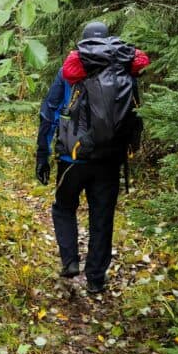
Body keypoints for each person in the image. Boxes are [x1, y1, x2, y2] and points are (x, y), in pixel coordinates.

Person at [35, 21, 149, 294]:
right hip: (110, 158)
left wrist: (42, 153)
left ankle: (71, 260)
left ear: (84, 42)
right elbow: (135, 115)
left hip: (73, 158)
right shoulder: (124, 69)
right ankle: (96, 279)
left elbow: (49, 112)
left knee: (63, 207)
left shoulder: (72, 70)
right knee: (102, 217)